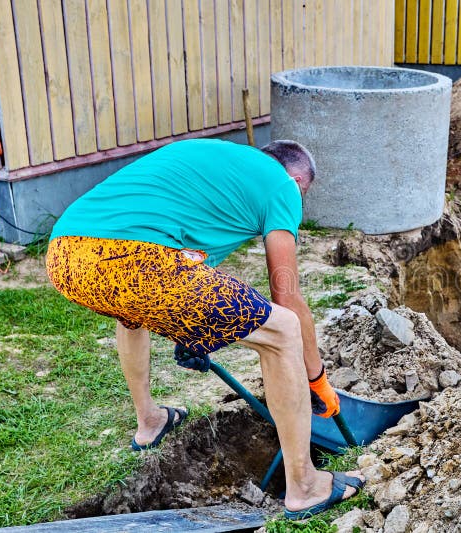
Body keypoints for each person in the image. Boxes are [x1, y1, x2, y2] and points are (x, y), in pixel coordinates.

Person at [45, 139, 364, 519]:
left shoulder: (216, 168)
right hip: (131, 258)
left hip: (66, 256)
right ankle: (305, 487)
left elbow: (185, 282)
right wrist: (317, 378)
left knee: (130, 311)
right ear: (297, 181)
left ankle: (150, 422)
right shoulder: (283, 186)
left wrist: (190, 334)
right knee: (282, 330)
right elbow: (287, 295)